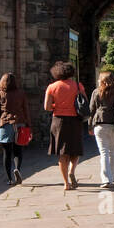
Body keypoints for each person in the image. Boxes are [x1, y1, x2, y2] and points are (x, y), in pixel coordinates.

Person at [44, 61, 87, 190]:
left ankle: (66, 183)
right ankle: (72, 171)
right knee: (75, 149)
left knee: (63, 153)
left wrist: (57, 105)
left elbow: (46, 107)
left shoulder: (52, 87)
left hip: (58, 121)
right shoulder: (78, 86)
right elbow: (84, 102)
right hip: (75, 121)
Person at [0, 72, 32, 186]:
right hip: (20, 124)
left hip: (5, 124)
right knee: (18, 151)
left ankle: (9, 179)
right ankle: (17, 169)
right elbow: (26, 111)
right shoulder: (21, 93)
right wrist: (29, 128)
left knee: (7, 153)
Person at [88, 70, 114, 188]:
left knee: (103, 152)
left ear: (102, 80)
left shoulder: (96, 92)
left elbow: (91, 110)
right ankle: (112, 177)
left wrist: (90, 126)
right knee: (112, 152)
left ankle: (106, 179)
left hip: (100, 124)